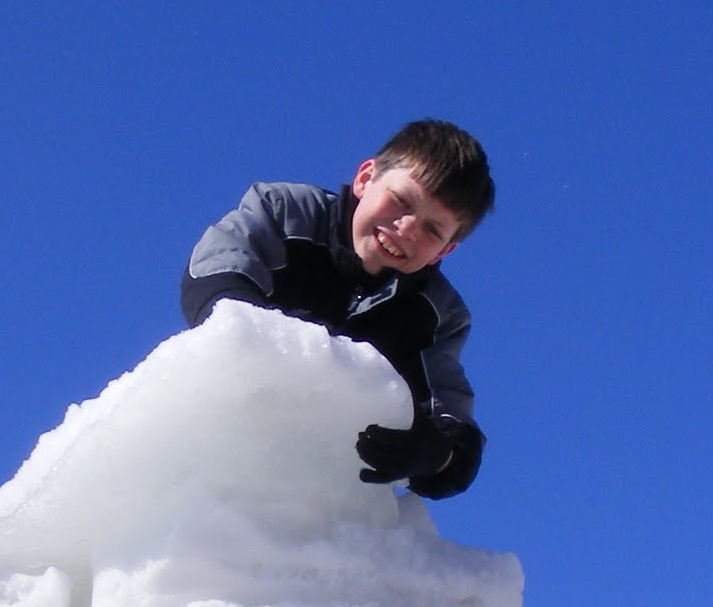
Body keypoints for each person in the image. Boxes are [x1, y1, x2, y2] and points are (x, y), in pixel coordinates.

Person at [180, 119, 495, 499]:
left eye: (433, 230)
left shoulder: (438, 316)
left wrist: (435, 454)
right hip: (219, 439)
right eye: (401, 200)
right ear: (366, 178)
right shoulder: (283, 213)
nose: (407, 227)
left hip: (319, 492)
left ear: (446, 250)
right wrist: (255, 347)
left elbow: (453, 424)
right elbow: (217, 270)